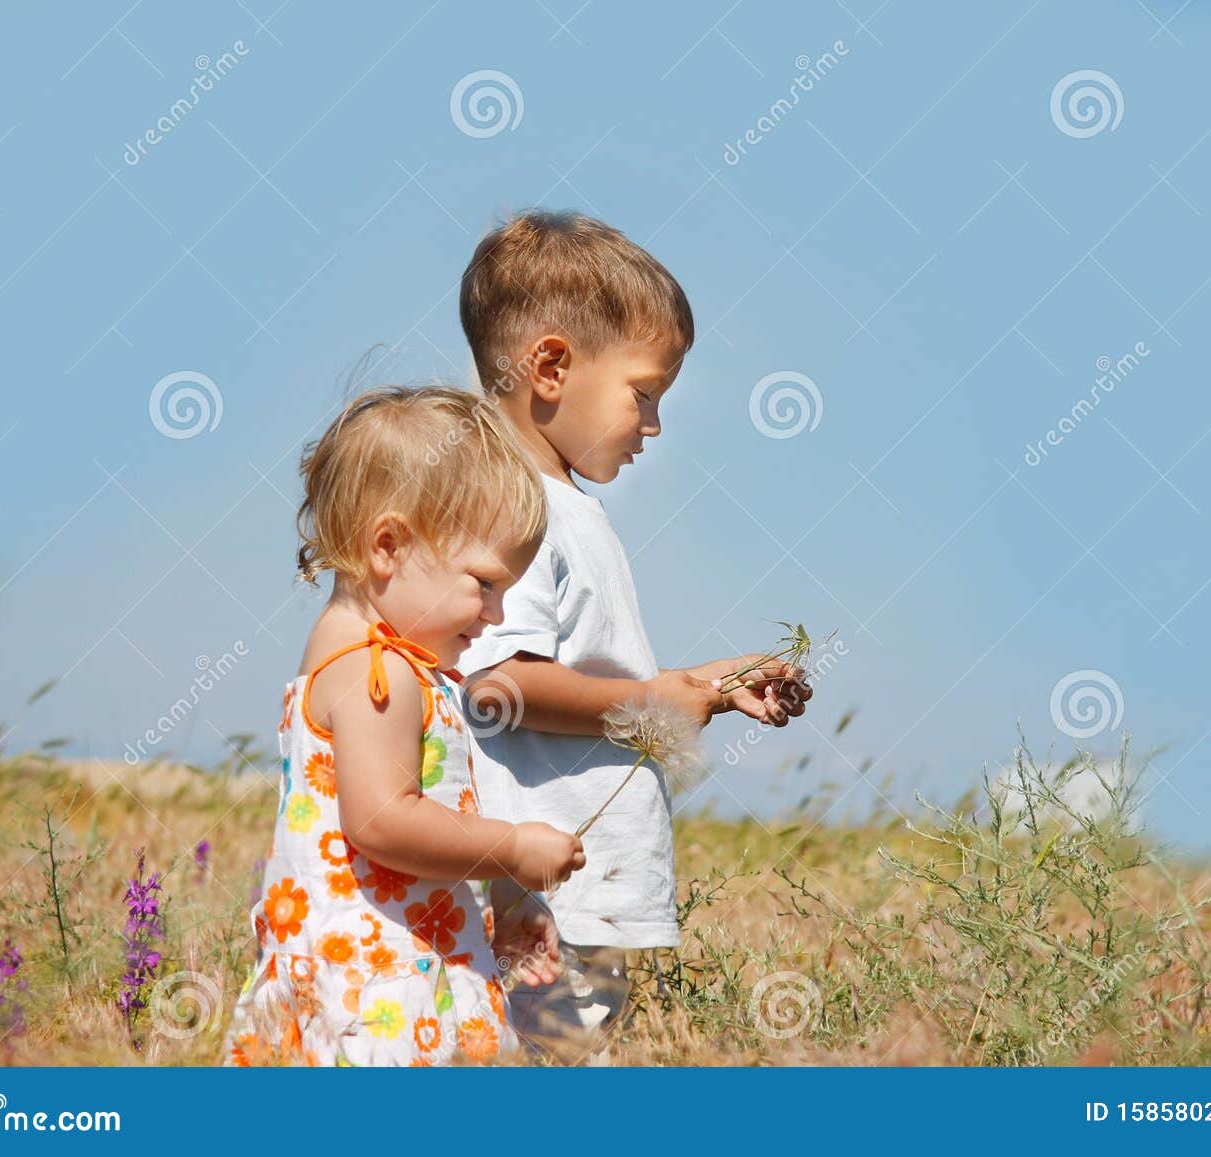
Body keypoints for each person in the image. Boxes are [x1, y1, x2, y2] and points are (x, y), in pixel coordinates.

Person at [455, 211, 812, 1061]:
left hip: (568, 879)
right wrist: (651, 702)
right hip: (542, 887)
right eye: (644, 393)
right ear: (550, 366)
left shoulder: (556, 505)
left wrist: (701, 688)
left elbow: (576, 672)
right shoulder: (518, 509)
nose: (652, 423)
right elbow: (500, 686)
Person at [224, 384, 584, 1067]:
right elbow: (385, 821)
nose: (497, 614)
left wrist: (504, 898)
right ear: (387, 545)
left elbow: (437, 815)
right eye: (484, 583)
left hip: (397, 962)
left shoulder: (394, 665)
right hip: (376, 987)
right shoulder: (372, 671)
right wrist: (509, 850)